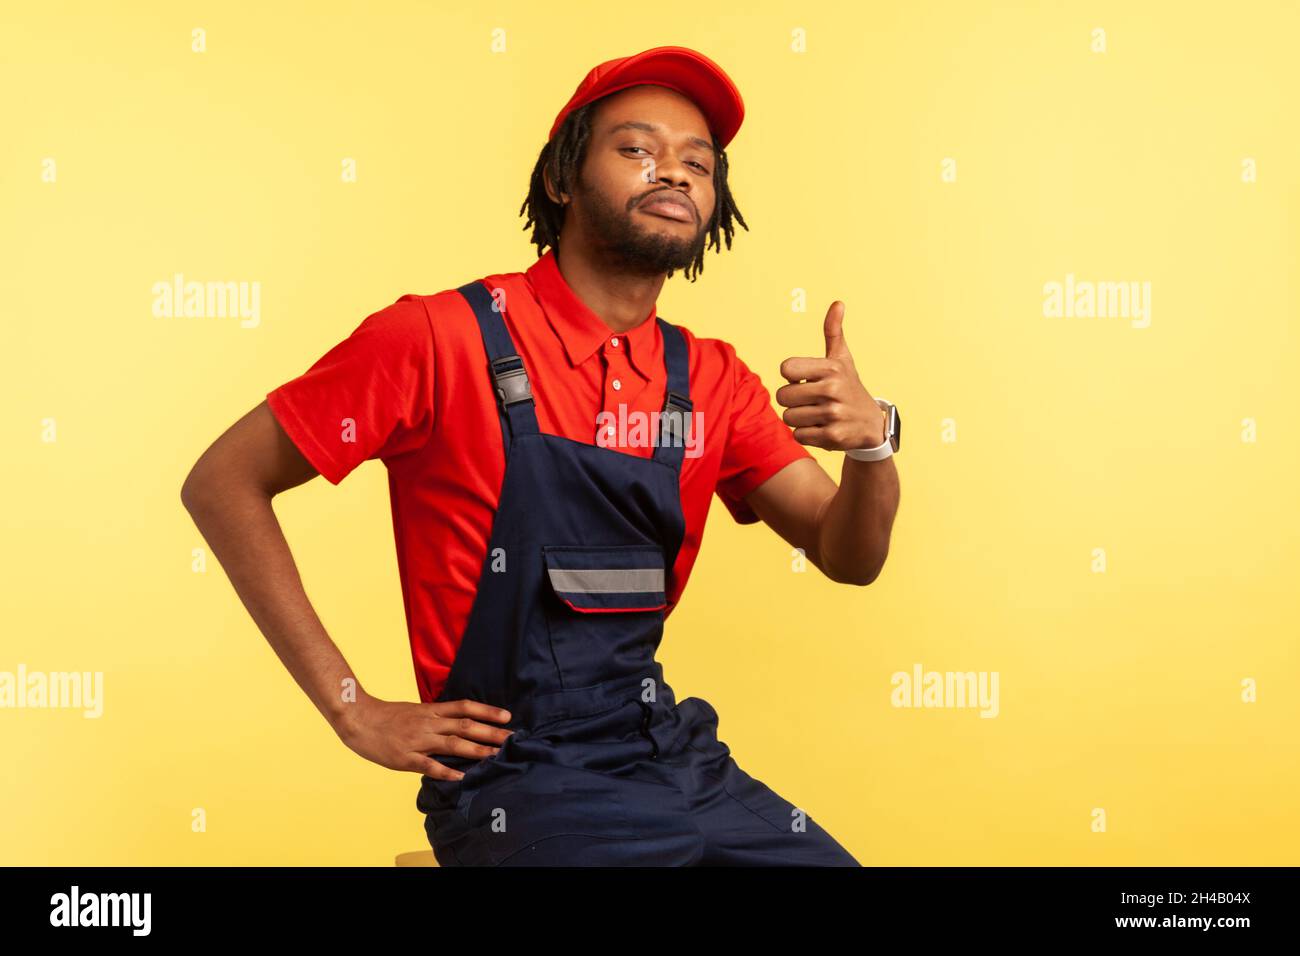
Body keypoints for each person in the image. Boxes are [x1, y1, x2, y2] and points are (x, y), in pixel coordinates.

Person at [181, 45, 901, 866]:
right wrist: (354, 707)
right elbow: (223, 482)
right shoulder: (438, 338)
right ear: (562, 178)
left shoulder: (711, 380)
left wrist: (874, 444)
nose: (673, 173)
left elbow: (849, 556)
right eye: (636, 149)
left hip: (674, 757)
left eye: (697, 163)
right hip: (517, 780)